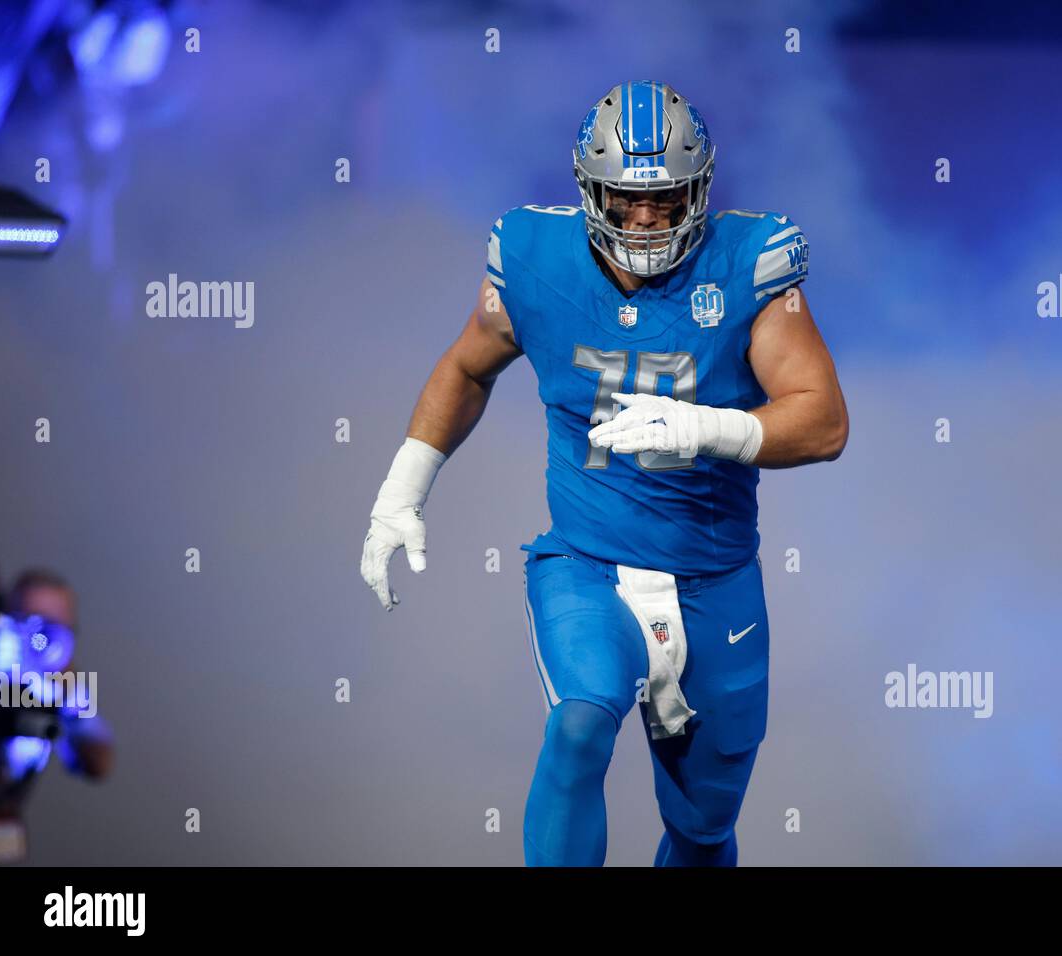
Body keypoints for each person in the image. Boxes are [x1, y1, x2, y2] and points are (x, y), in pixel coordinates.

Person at [360, 81, 847, 866]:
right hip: (589, 564)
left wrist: (703, 426)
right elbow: (466, 367)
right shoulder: (534, 260)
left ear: (702, 189)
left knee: (703, 829)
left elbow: (823, 420)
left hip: (714, 580)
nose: (648, 219)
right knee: (581, 722)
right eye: (626, 200)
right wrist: (403, 490)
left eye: (667, 198)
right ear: (591, 192)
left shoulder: (747, 269)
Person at [0, 569, 113, 863]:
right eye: (35, 624)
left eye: (59, 630)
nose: (44, 641)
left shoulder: (64, 687)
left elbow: (98, 762)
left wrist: (64, 700)